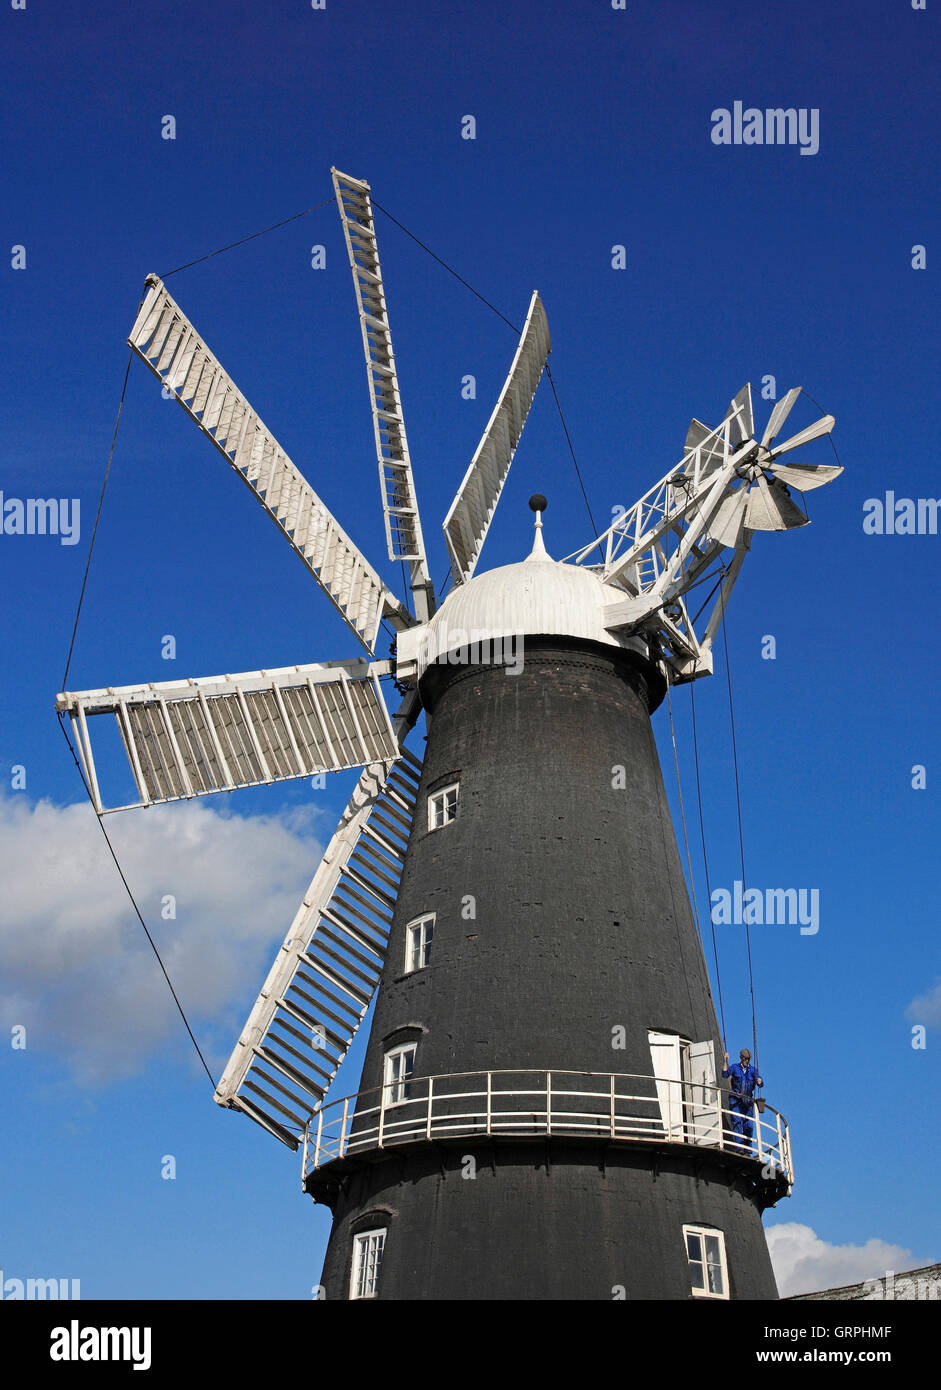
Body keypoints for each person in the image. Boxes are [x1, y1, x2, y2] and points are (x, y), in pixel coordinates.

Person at [722, 1048, 763, 1153]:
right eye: (745, 1059)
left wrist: (760, 1081)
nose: (747, 1061)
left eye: (748, 1059)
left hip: (747, 1102)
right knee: (737, 1121)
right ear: (741, 1058)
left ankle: (748, 1149)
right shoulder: (735, 1067)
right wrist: (725, 1060)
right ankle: (739, 1148)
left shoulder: (753, 1070)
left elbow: (760, 1082)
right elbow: (725, 1074)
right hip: (736, 1100)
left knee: (749, 1125)